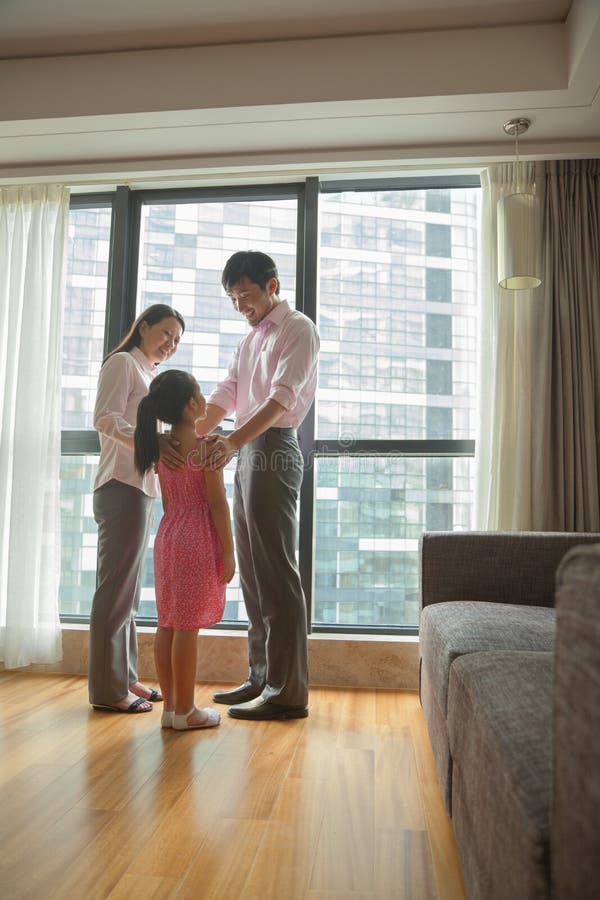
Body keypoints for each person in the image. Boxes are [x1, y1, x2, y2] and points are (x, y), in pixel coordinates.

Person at [199, 250, 319, 721]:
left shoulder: (297, 328)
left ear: (272, 286)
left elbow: (281, 399)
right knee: (251, 569)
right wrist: (200, 432)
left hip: (273, 445)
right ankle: (262, 675)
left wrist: (230, 441)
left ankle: (288, 692)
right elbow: (227, 391)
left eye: (245, 295)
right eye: (233, 299)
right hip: (247, 448)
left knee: (276, 570)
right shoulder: (249, 340)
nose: (240, 305)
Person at [89, 304, 185, 714]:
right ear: (143, 327)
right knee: (114, 592)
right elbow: (105, 419)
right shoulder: (123, 364)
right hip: (120, 486)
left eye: (177, 340)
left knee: (128, 592)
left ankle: (125, 677)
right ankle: (108, 691)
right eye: (166, 333)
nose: (171, 343)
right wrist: (149, 440)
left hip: (139, 488)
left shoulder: (148, 373)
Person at [134, 370, 235, 730]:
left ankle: (171, 709)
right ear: (193, 405)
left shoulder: (162, 447)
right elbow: (218, 503)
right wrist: (228, 551)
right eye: (201, 394)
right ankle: (188, 711)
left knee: (168, 624)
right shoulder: (206, 447)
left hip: (168, 536)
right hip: (197, 538)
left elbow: (169, 498)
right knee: (188, 628)